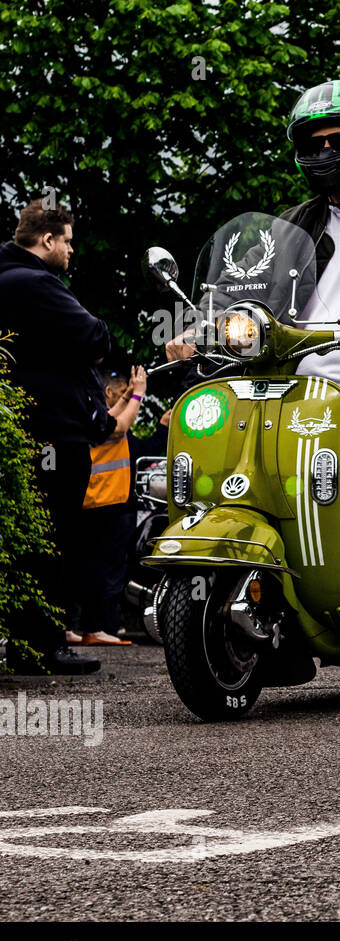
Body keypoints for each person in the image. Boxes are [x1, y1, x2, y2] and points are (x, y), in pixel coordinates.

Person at [166, 79, 340, 628]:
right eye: (314, 144)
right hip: (295, 384)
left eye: (339, 140)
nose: (326, 154)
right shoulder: (294, 223)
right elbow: (240, 288)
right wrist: (200, 329)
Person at [0, 199, 119, 674]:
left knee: (30, 541)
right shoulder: (34, 282)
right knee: (54, 541)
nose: (71, 251)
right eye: (67, 241)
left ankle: (31, 644)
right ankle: (43, 647)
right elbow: (96, 338)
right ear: (47, 240)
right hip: (53, 432)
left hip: (22, 429)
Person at [78, 366, 168, 646]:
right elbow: (119, 427)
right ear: (105, 392)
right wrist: (139, 395)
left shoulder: (96, 416)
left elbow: (130, 440)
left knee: (104, 567)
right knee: (104, 570)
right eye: (118, 394)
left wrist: (130, 395)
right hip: (105, 500)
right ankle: (99, 626)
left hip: (109, 500)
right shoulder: (95, 418)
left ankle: (101, 626)